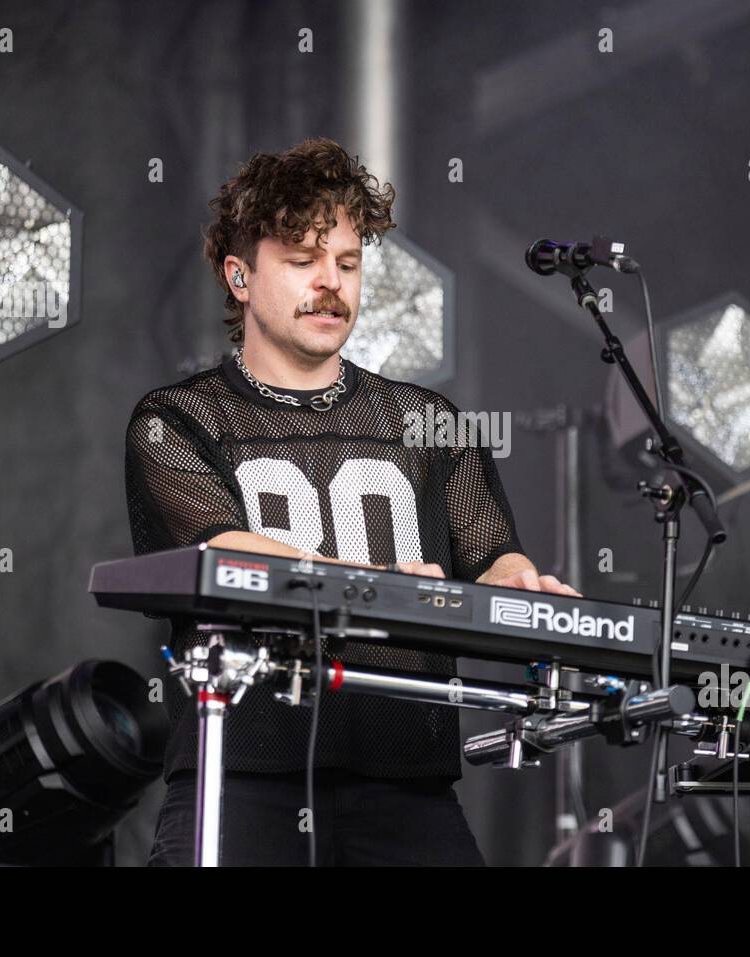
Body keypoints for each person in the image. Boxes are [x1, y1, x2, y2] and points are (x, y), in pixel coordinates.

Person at [125, 136, 578, 866]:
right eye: (301, 261)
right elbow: (221, 547)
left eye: (346, 262)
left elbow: (493, 553)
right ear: (239, 277)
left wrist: (521, 587)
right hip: (241, 779)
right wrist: (373, 584)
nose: (330, 283)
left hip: (408, 789)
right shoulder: (177, 418)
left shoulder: (430, 421)